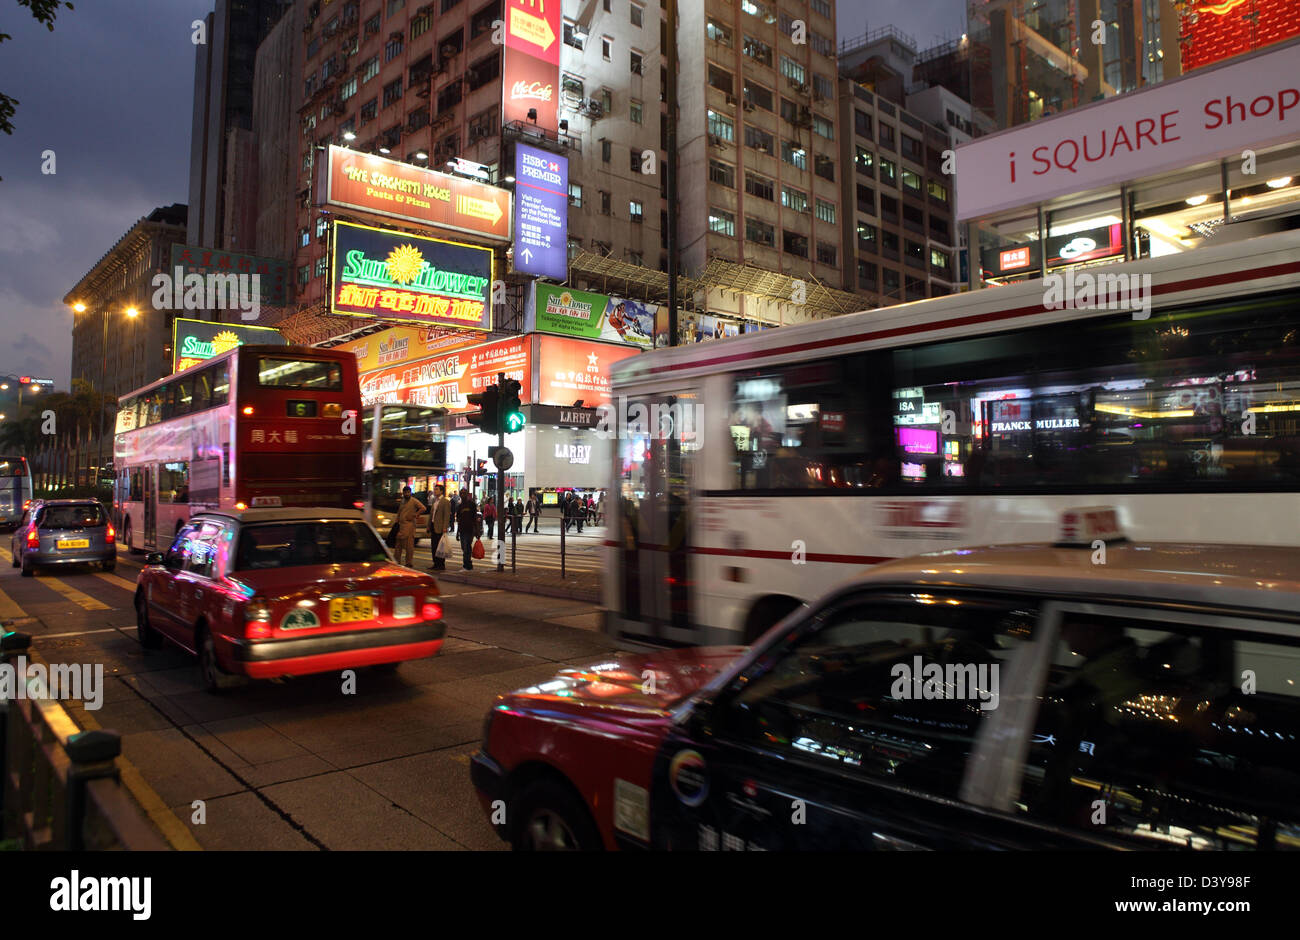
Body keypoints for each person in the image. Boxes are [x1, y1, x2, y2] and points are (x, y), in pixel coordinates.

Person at [394, 486, 426, 568]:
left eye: (408, 492)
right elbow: (399, 511)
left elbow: (423, 508)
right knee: (398, 545)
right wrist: (397, 519)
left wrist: (415, 515)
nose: (407, 494)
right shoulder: (403, 501)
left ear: (410, 492)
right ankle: (396, 561)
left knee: (409, 545)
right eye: (405, 492)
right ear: (403, 493)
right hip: (401, 526)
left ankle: (409, 562)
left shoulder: (414, 501)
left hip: (409, 526)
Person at [427, 485, 451, 571]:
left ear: (441, 491)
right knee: (434, 546)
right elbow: (431, 515)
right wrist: (429, 526)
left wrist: (445, 527)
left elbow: (447, 515)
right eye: (434, 489)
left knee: (440, 546)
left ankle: (441, 564)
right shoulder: (435, 501)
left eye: (436, 489)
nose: (435, 491)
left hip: (440, 527)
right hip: (433, 526)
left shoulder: (445, 501)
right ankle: (435, 563)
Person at [456, 489, 478, 570]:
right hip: (462, 529)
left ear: (467, 494)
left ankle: (467, 563)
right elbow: (459, 519)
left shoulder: (472, 504)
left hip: (470, 529)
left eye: (464, 493)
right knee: (463, 547)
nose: (462, 495)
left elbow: (474, 517)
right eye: (461, 493)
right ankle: (467, 562)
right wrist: (457, 533)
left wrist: (476, 530)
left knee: (467, 546)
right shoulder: (459, 506)